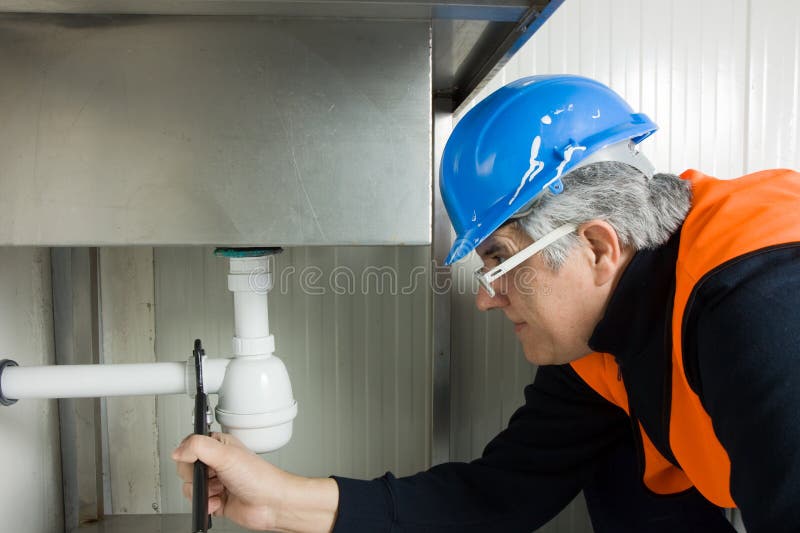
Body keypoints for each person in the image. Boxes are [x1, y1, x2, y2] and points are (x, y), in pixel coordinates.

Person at [173, 75, 800, 532]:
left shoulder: (760, 301)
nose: (486, 297)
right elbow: (498, 496)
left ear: (597, 246)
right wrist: (276, 501)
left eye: (502, 260)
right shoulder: (598, 343)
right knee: (616, 461)